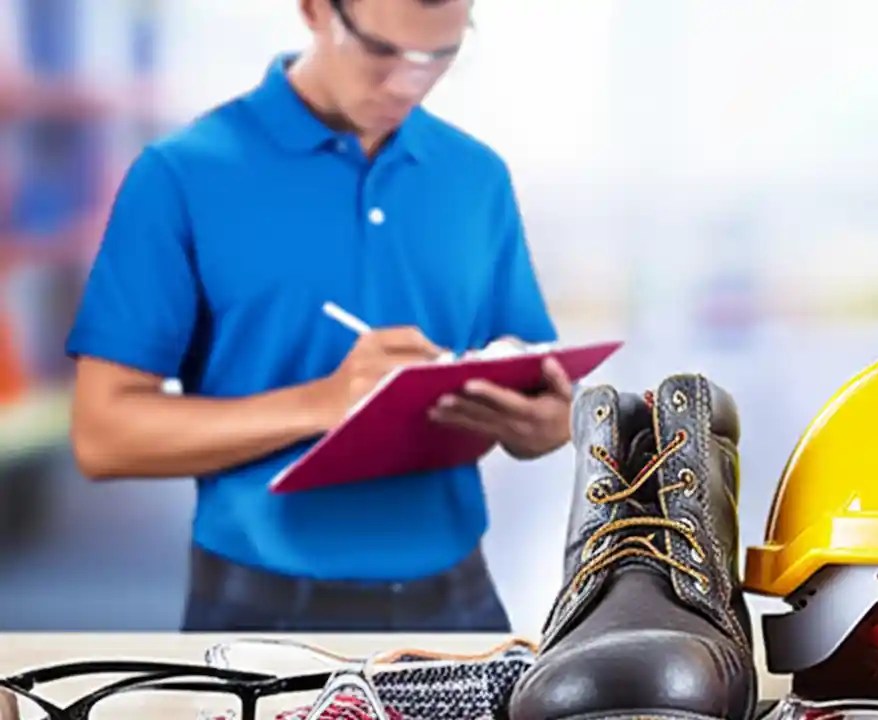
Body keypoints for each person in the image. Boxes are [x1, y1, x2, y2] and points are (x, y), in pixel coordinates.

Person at [64, 0, 573, 632]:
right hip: (261, 612)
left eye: (439, 56)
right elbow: (104, 435)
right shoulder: (181, 174)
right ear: (313, 10)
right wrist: (324, 402)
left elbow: (535, 387)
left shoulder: (478, 178)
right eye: (382, 52)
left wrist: (545, 424)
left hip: (460, 611)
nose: (408, 83)